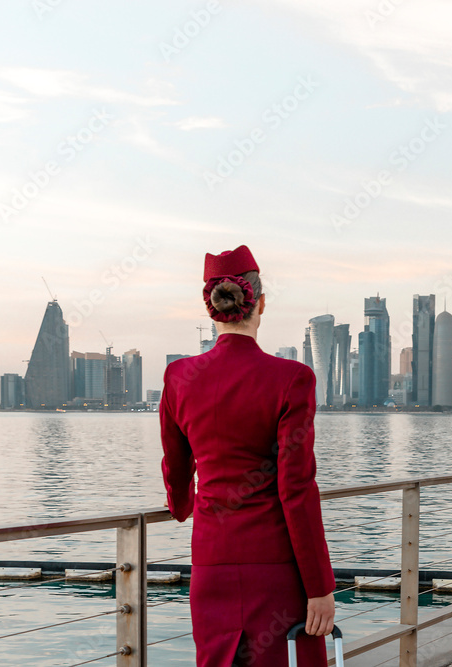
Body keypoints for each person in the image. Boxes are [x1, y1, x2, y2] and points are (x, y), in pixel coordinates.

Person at [160, 244, 336, 666]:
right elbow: (296, 489)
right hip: (274, 564)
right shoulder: (292, 378)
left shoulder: (179, 376)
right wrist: (319, 586)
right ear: (260, 303)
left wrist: (181, 505)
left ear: (210, 307)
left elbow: (176, 465)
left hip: (211, 558)